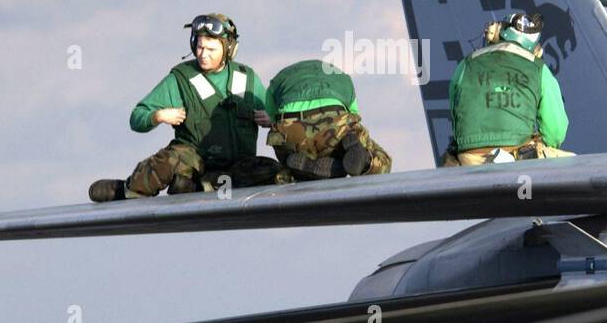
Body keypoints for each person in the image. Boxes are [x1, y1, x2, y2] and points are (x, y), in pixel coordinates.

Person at [88, 14, 279, 201]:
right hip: (195, 161)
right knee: (168, 162)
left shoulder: (246, 78)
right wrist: (158, 116)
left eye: (211, 49)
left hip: (236, 166)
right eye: (199, 47)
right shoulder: (181, 78)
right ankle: (128, 190)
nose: (202, 54)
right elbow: (137, 118)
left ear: (229, 50)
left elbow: (277, 116)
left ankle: (198, 187)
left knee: (271, 171)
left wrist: (272, 120)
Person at [442, 12, 572, 166]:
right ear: (534, 47)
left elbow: (455, 112)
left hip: (470, 158)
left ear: (497, 32)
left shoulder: (465, 65)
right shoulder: (539, 69)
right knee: (574, 165)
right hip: (518, 158)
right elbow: (556, 131)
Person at [263, 59, 392, 181]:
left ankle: (300, 172)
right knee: (383, 161)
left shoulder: (277, 80)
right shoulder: (343, 78)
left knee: (288, 161)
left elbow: (273, 119)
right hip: (334, 124)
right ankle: (364, 161)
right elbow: (353, 114)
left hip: (291, 130)